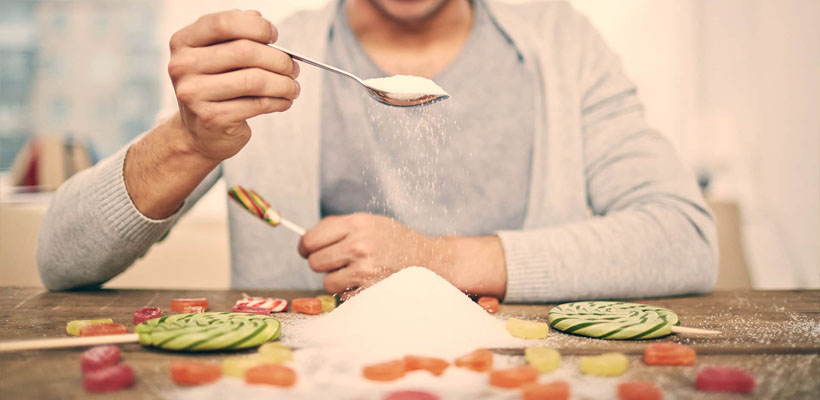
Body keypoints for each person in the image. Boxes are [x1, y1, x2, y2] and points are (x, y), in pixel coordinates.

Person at [36, 0, 718, 302]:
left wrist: (437, 259)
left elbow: (684, 237)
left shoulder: (562, 46)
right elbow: (61, 260)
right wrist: (187, 141)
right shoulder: (271, 61)